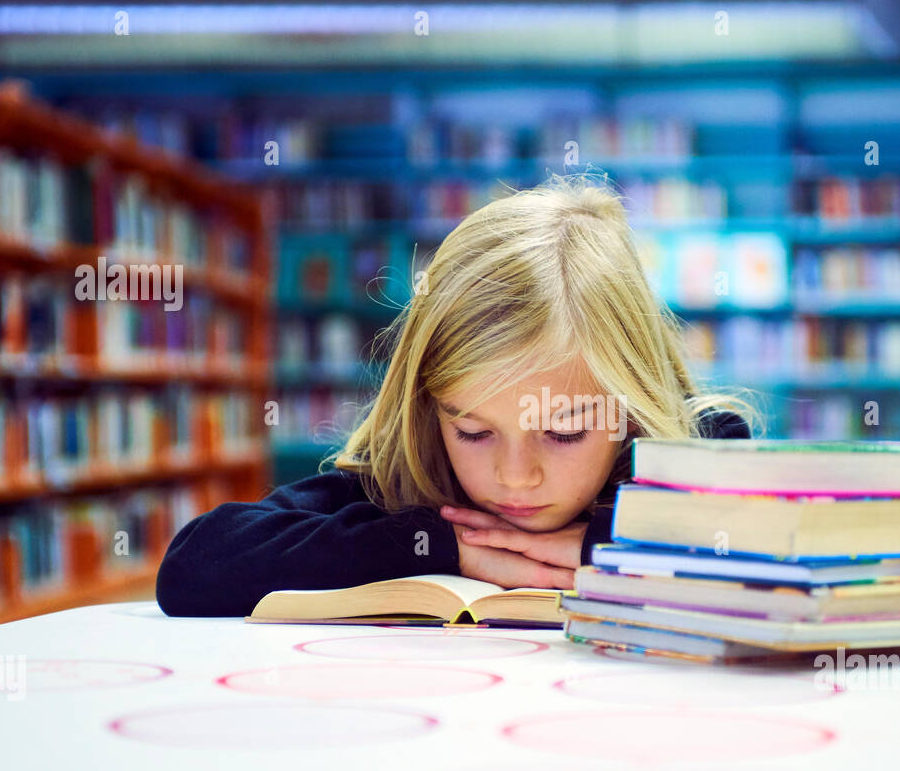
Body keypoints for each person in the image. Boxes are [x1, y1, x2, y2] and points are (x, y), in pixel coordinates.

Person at [156, 173, 758, 617]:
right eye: (472, 431)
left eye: (565, 430)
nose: (514, 476)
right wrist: (444, 546)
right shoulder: (408, 479)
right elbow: (193, 566)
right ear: (429, 409)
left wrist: (614, 545)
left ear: (629, 408)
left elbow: (788, 556)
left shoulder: (702, 453)